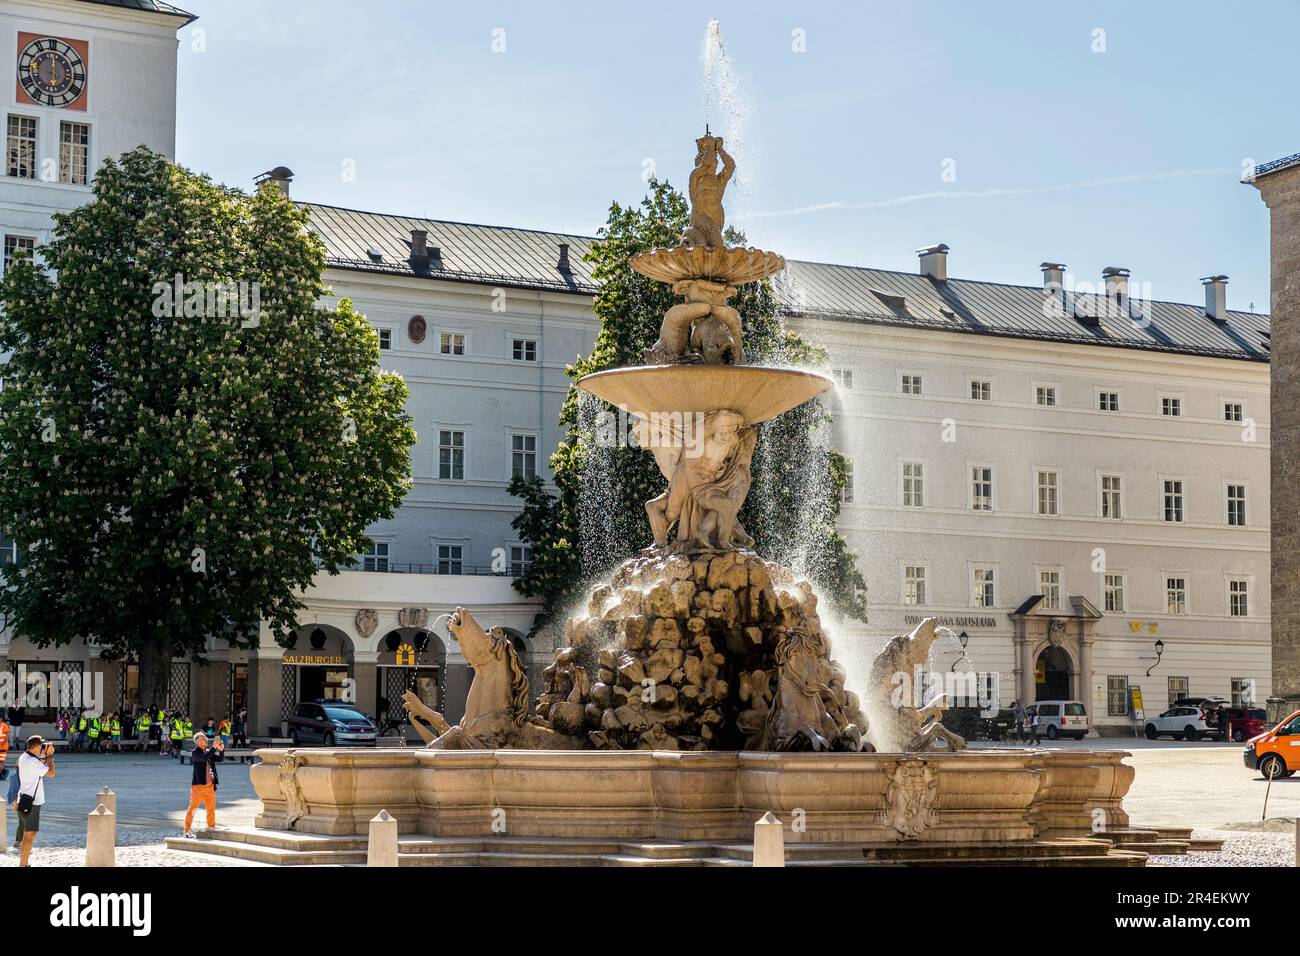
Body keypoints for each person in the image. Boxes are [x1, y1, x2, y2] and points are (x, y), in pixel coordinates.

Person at [15, 736, 55, 867]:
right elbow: (51, 773)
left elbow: (37, 770)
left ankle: (24, 863)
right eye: (42, 746)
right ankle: (23, 865)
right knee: (29, 835)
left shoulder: (23, 757)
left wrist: (43, 758)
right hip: (32, 803)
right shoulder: (33, 761)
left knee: (29, 834)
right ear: (37, 747)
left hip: (24, 800)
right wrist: (49, 756)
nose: (43, 748)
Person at [182, 731, 224, 838]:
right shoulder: (195, 753)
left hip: (210, 786)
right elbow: (204, 757)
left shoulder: (208, 752)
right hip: (198, 787)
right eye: (202, 739)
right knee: (192, 809)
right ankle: (186, 830)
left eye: (205, 738)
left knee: (211, 809)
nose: (205, 740)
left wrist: (222, 750)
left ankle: (211, 826)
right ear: (197, 742)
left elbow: (220, 758)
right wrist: (214, 748)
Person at [0, 712, 9, 782]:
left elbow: (7, 735)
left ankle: (3, 772)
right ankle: (2, 772)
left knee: (1, 761)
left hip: (3, 747)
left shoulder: (4, 725)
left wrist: (3, 743)